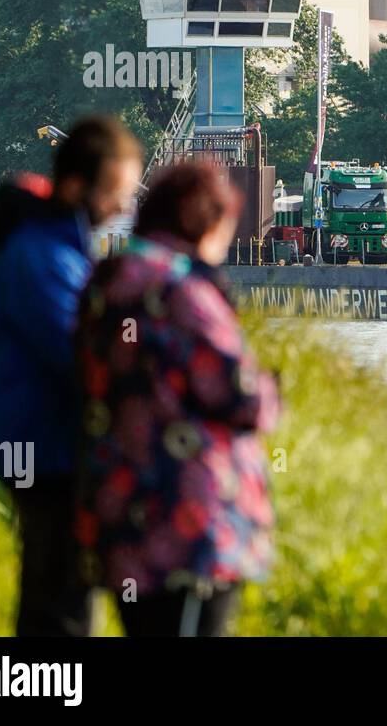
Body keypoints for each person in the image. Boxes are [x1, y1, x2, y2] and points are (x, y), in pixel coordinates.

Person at [74, 161, 281, 637]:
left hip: (119, 507)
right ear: (202, 221)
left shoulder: (105, 282)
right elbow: (239, 395)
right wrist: (271, 390)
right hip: (188, 519)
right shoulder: (180, 289)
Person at [0, 115, 144, 636]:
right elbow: (82, 356)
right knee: (62, 600)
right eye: (114, 194)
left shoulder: (51, 246)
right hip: (45, 451)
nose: (120, 208)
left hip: (42, 445)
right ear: (74, 186)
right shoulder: (42, 257)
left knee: (53, 590)